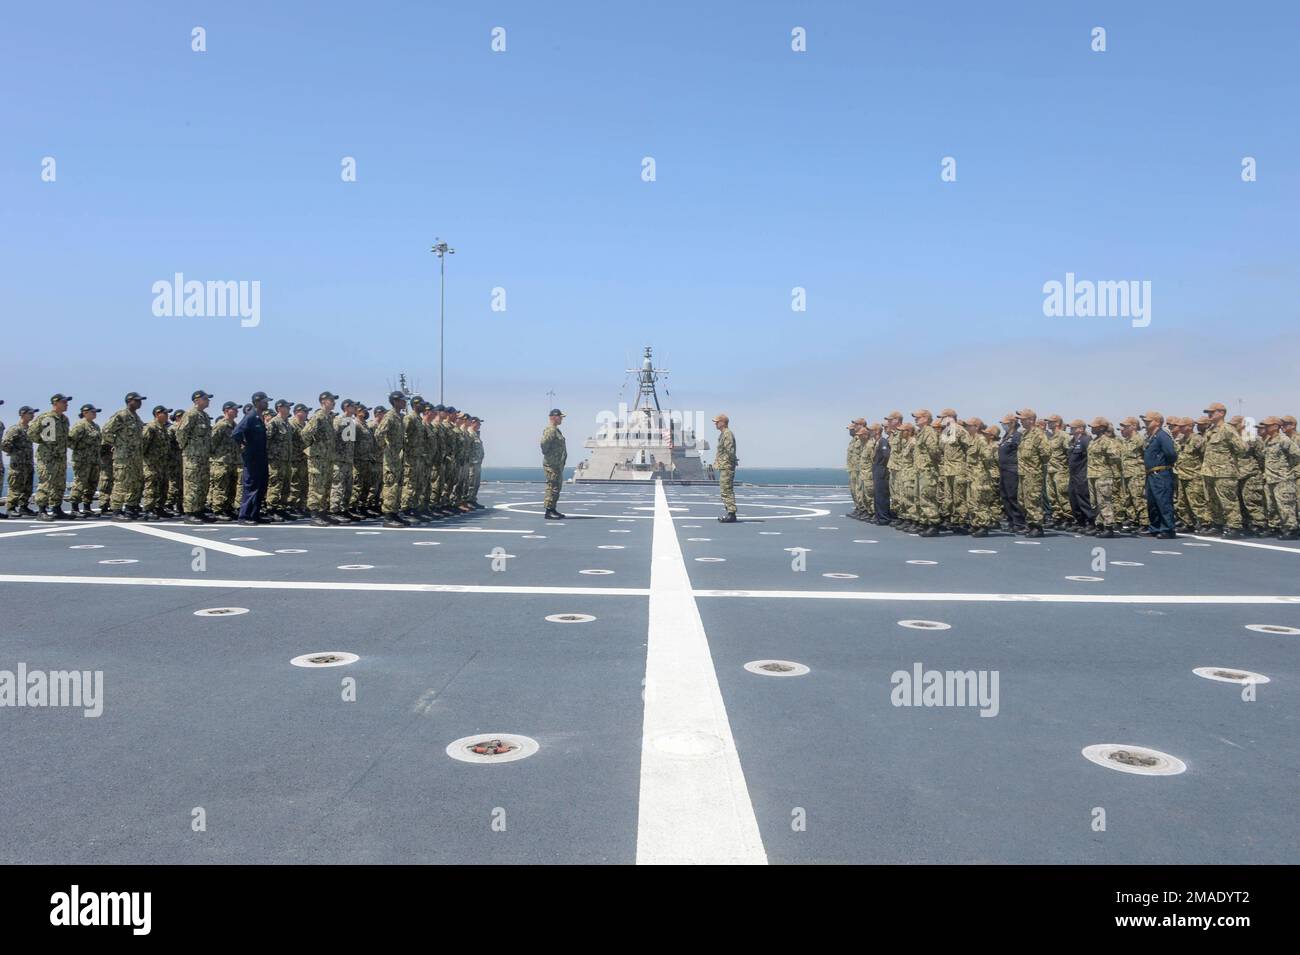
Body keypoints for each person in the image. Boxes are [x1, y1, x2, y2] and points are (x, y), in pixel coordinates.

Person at [1199, 401, 1245, 538]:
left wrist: (1228, 461)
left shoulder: (1228, 429)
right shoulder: (1210, 430)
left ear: (1221, 413)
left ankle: (1234, 527)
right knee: (1212, 501)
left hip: (1224, 473)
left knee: (1228, 501)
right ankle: (1217, 524)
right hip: (1209, 472)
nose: (1209, 415)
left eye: (1211, 412)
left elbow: (1241, 448)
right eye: (1208, 413)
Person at [101, 391, 147, 521]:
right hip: (123, 457)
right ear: (129, 401)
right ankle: (116, 510)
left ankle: (130, 508)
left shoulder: (136, 417)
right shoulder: (121, 415)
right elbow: (106, 431)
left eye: (140, 400)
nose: (140, 403)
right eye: (137, 400)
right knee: (121, 483)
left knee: (135, 483)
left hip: (135, 457)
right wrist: (117, 444)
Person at [28, 393, 72, 520]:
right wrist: (43, 444)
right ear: (55, 403)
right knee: (46, 483)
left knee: (59, 484)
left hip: (60, 457)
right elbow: (31, 433)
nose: (66, 404)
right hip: (48, 458)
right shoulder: (47, 418)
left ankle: (57, 508)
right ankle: (41, 510)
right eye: (64, 402)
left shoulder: (64, 419)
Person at [233, 391, 270, 525]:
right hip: (252, 459)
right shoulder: (251, 416)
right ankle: (244, 516)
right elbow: (236, 433)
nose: (267, 403)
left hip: (261, 458)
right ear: (258, 402)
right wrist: (244, 447)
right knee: (251, 487)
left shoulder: (259, 417)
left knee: (261, 487)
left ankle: (255, 515)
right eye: (265, 401)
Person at [1140, 411, 1177, 538]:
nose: (1145, 423)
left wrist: (1165, 466)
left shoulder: (1162, 435)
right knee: (1152, 502)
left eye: (1148, 421)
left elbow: (1171, 453)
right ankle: (1155, 527)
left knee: (1163, 501)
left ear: (1157, 422)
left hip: (1161, 473)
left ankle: (1168, 529)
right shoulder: (1151, 436)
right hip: (1151, 474)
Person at [303, 392, 338, 526]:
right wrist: (313, 448)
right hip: (317, 459)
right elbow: (305, 433)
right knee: (316, 486)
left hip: (327, 458)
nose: (333, 402)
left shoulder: (328, 417)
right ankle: (315, 514)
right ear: (323, 401)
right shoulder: (318, 416)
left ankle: (323, 513)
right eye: (331, 400)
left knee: (325, 486)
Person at [67, 403, 103, 519]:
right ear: (85, 413)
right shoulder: (80, 426)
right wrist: (81, 450)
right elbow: (70, 441)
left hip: (94, 460)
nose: (95, 414)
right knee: (80, 483)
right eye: (93, 412)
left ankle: (87, 507)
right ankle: (75, 508)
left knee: (92, 484)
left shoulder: (95, 426)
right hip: (82, 460)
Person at [208, 401, 241, 521]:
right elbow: (211, 443)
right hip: (221, 462)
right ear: (227, 411)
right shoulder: (221, 425)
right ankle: (218, 510)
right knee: (220, 486)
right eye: (234, 409)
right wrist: (217, 456)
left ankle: (228, 508)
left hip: (232, 461)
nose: (237, 411)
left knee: (231, 487)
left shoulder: (234, 426)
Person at [140, 404, 173, 520]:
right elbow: (143, 446)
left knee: (163, 487)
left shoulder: (164, 428)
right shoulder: (151, 428)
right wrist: (147, 460)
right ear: (157, 414)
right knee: (151, 487)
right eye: (165, 413)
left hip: (162, 464)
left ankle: (159, 508)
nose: (167, 415)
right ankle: (148, 509)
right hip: (152, 464)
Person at [2, 407, 37, 518]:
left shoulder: (30, 430)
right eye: (30, 413)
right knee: (15, 486)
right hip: (17, 464)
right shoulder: (15, 429)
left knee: (27, 486)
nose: (33, 415)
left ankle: (24, 507)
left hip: (28, 464)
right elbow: (4, 444)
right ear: (23, 414)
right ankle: (11, 508)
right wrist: (15, 453)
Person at [997, 413, 1024, 532]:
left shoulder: (1017, 435)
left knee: (1013, 496)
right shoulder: (1006, 436)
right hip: (1003, 469)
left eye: (1005, 424)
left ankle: (1019, 522)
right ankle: (1011, 521)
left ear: (1012, 423)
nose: (1004, 426)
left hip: (1012, 469)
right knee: (1005, 496)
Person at [1067, 418, 1094, 531]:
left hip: (1081, 474)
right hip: (1073, 474)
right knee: (1073, 498)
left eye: (1074, 427)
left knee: (1083, 498)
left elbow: (1090, 457)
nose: (1071, 429)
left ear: (1081, 429)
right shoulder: (1073, 441)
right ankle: (1080, 521)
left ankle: (1090, 522)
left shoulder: (1085, 440)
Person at [541, 408, 567, 519]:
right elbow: (544, 444)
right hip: (552, 465)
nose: (561, 419)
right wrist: (550, 456)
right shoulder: (551, 430)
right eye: (560, 417)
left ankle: (553, 509)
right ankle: (548, 511)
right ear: (554, 417)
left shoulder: (556, 430)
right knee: (552, 486)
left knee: (556, 486)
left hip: (557, 465)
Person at [713, 413, 737, 522]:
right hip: (724, 465)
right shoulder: (723, 434)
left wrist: (730, 463)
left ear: (723, 423)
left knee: (726, 489)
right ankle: (729, 512)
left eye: (717, 422)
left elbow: (730, 451)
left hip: (726, 466)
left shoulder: (727, 434)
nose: (716, 424)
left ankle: (731, 514)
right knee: (724, 489)